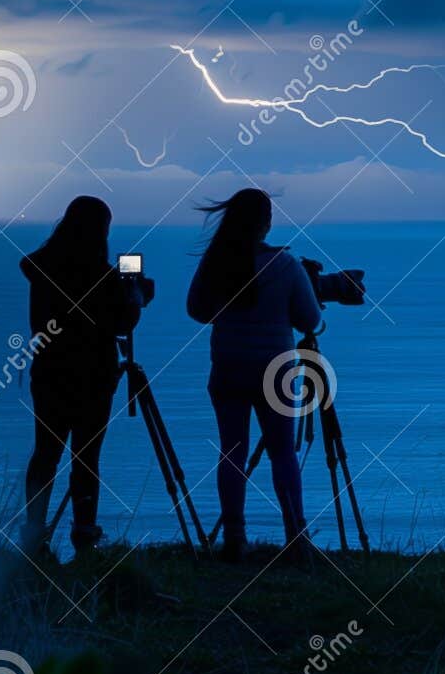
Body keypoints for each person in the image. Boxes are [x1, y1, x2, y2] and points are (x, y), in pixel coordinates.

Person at [186, 188, 321, 562]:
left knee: (232, 453)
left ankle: (234, 537)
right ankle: (296, 537)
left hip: (228, 367)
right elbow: (310, 320)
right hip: (275, 373)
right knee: (283, 453)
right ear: (265, 222)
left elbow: (196, 310)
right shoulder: (286, 266)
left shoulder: (216, 262)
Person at [20, 195, 153, 556]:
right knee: (86, 456)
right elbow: (122, 323)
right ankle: (84, 533)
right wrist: (136, 295)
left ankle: (34, 532)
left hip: (48, 374)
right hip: (94, 377)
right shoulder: (104, 277)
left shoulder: (43, 267)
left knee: (45, 453)